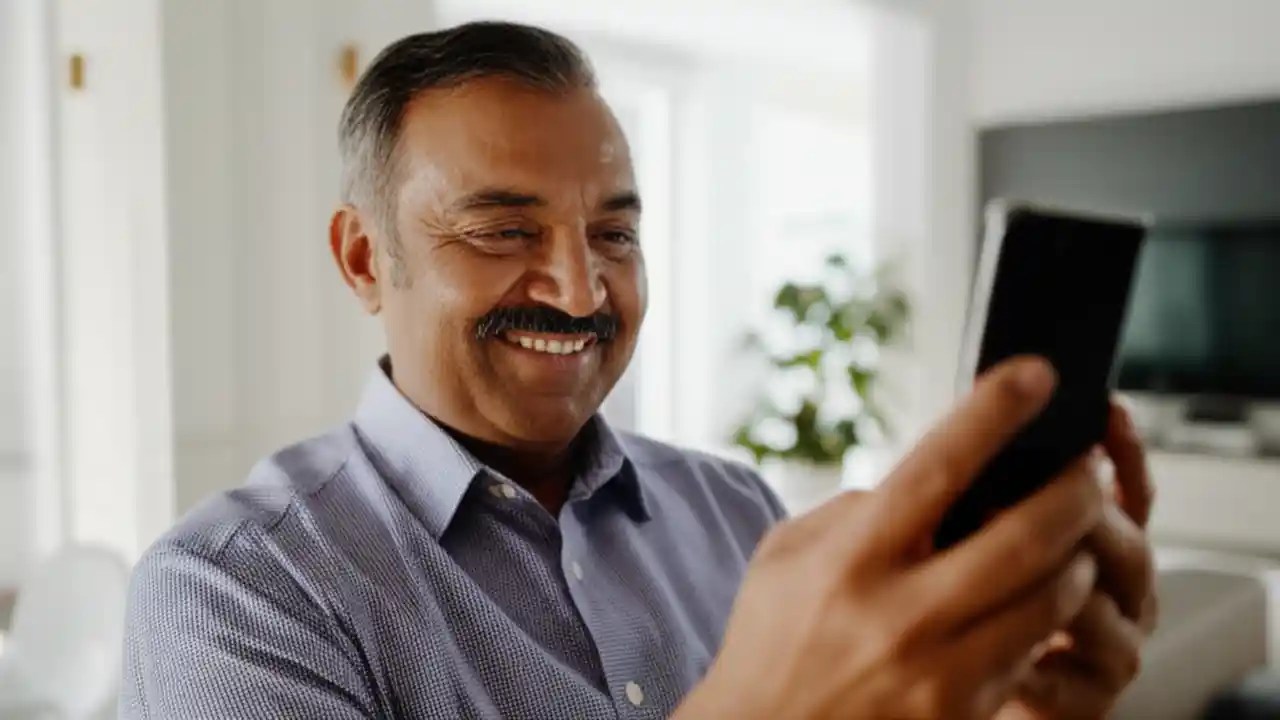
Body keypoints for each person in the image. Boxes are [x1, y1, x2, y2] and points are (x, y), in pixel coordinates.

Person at [120, 21, 1156, 720]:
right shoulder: (234, 592)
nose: (579, 291)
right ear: (361, 259)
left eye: (612, 235)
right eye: (501, 231)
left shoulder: (738, 510)